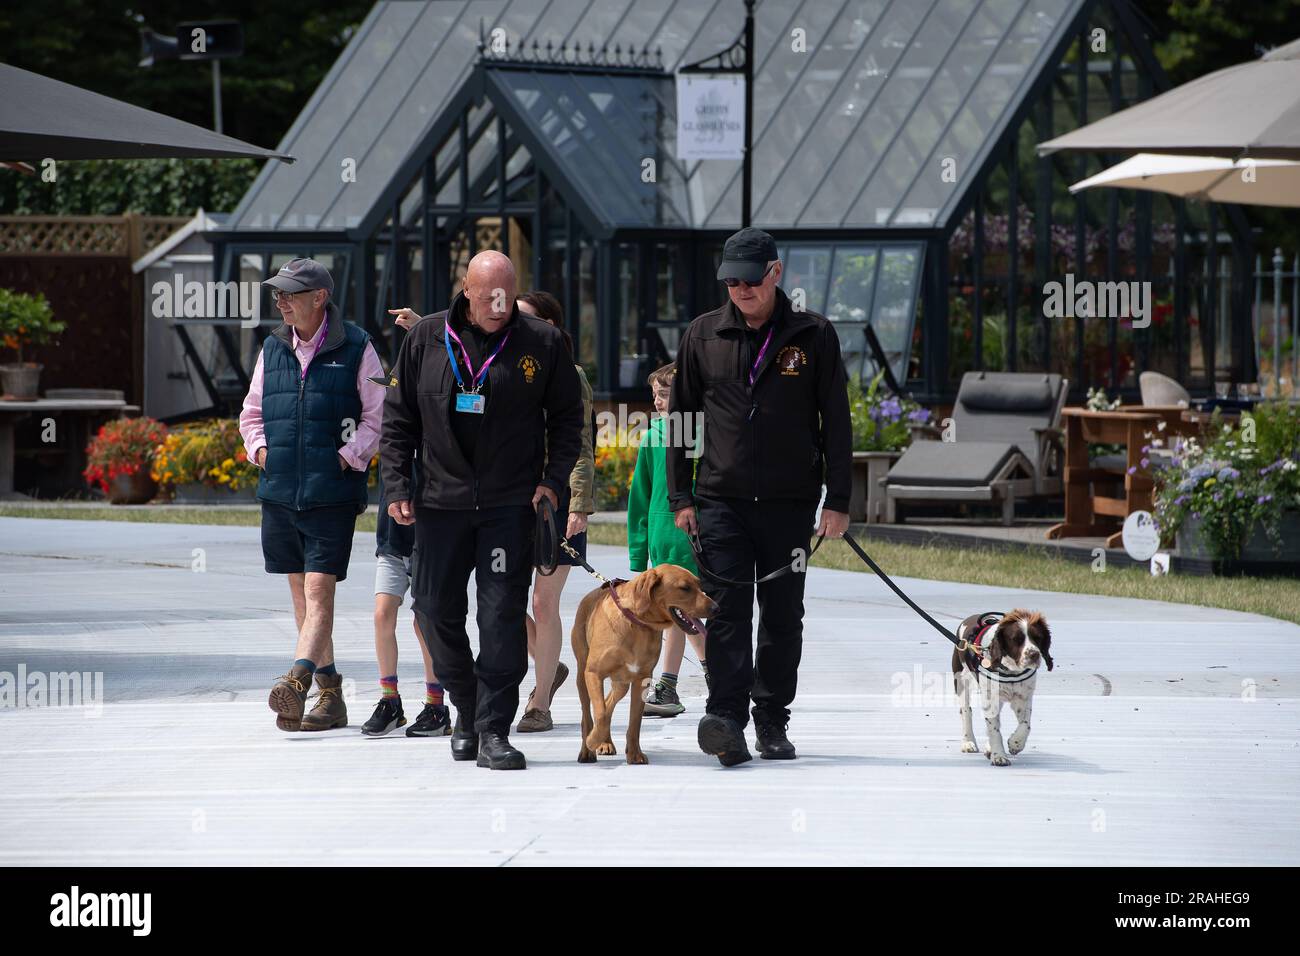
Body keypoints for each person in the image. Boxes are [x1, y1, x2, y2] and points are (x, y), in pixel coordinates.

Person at [379, 251, 582, 770]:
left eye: (506, 295)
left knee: (500, 619)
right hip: (439, 504)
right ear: (465, 289)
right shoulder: (425, 338)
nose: (498, 305)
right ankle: (466, 707)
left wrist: (552, 483)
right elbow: (398, 420)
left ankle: (494, 729)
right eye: (488, 294)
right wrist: (398, 483)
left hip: (508, 506)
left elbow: (566, 423)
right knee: (431, 610)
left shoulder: (544, 342)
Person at [666, 227, 852, 767]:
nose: (740, 290)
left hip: (790, 503)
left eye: (750, 279)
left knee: (782, 614)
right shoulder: (703, 334)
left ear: (775, 273)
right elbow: (680, 420)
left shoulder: (813, 334)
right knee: (724, 612)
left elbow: (836, 421)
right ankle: (725, 718)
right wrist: (681, 497)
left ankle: (771, 715)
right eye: (730, 281)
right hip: (720, 501)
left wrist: (837, 499)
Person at [238, 257, 386, 733]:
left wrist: (345, 459)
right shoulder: (273, 346)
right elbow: (251, 413)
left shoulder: (357, 347)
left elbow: (377, 418)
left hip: (331, 495)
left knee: (319, 590)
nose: (279, 301)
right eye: (277, 293)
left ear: (319, 297)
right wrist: (262, 453)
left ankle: (296, 680)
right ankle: (332, 694)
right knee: (302, 597)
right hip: (280, 493)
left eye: (289, 293)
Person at [513, 291, 595, 734]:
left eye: (526, 319)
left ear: (548, 324)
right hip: (509, 501)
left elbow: (580, 441)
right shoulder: (507, 365)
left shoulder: (570, 372)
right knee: (504, 599)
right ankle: (550, 666)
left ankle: (540, 701)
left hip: (556, 503)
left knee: (544, 604)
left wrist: (578, 504)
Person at [628, 362, 707, 717]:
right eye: (654, 395)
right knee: (678, 614)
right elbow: (639, 500)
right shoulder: (651, 437)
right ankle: (671, 685)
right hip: (663, 539)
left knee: (691, 613)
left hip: (699, 537)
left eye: (663, 395)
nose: (657, 403)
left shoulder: (705, 436)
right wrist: (637, 555)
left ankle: (707, 678)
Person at [362, 449, 453, 737]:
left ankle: (436, 706)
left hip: (432, 538)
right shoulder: (393, 426)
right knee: (381, 615)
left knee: (422, 621)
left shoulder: (437, 423)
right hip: (393, 539)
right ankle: (390, 701)